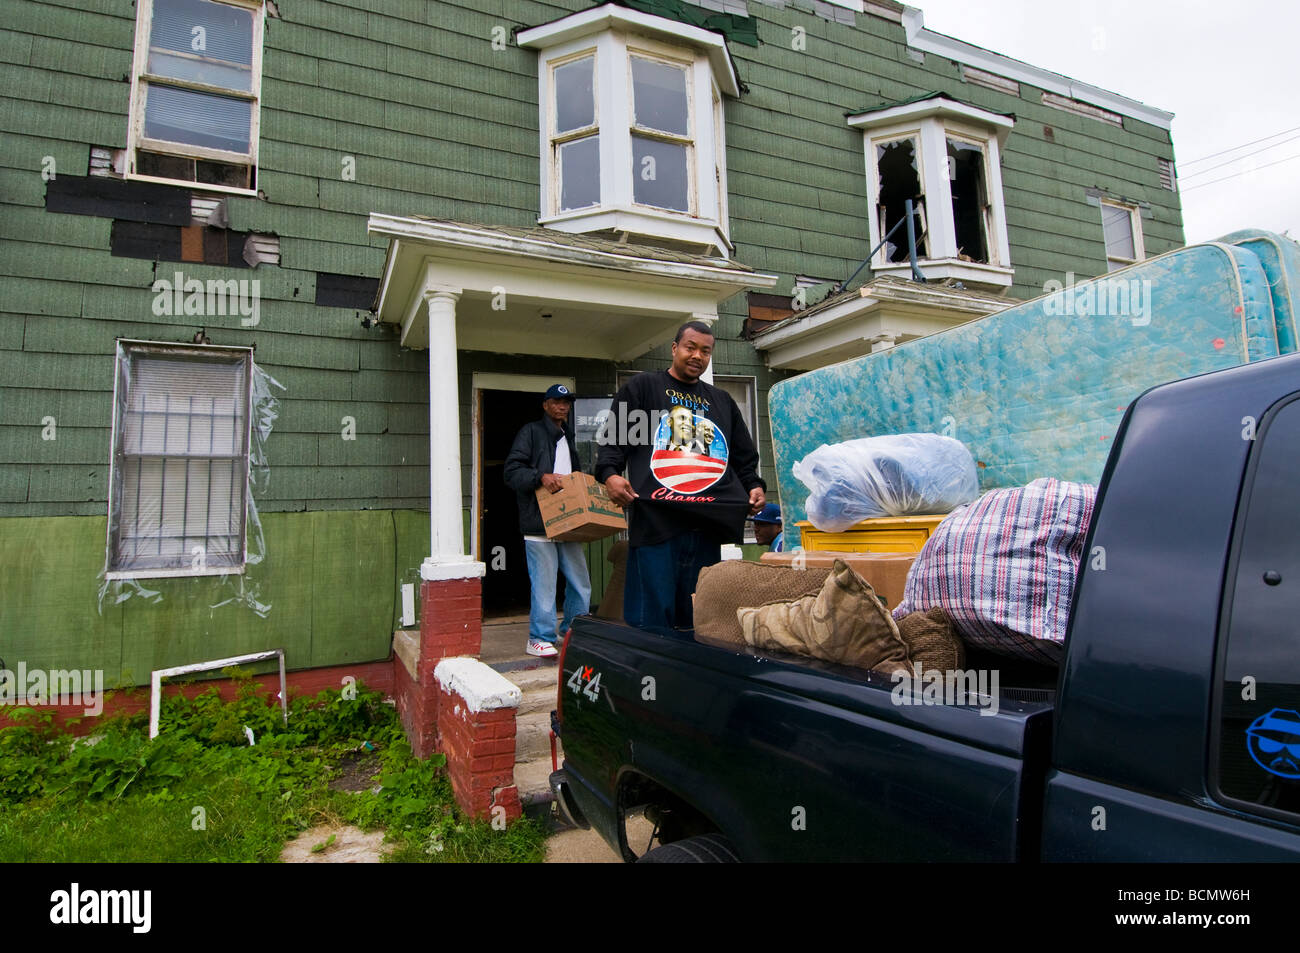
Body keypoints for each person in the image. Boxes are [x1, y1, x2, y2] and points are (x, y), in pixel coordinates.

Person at [596, 321, 766, 631]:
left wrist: (753, 485)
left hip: (707, 525)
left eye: (705, 351)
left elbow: (742, 457)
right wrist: (609, 474)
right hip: (657, 523)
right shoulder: (643, 388)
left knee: (698, 615)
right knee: (652, 618)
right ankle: (650, 676)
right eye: (690, 347)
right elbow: (613, 441)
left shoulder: (722, 402)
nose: (697, 356)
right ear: (674, 348)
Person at [503, 384, 592, 658]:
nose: (562, 406)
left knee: (580, 582)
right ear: (545, 405)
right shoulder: (531, 432)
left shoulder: (568, 437)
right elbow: (511, 472)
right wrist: (541, 476)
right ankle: (539, 638)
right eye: (556, 401)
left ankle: (571, 632)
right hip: (539, 522)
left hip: (568, 521)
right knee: (544, 584)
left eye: (566, 402)